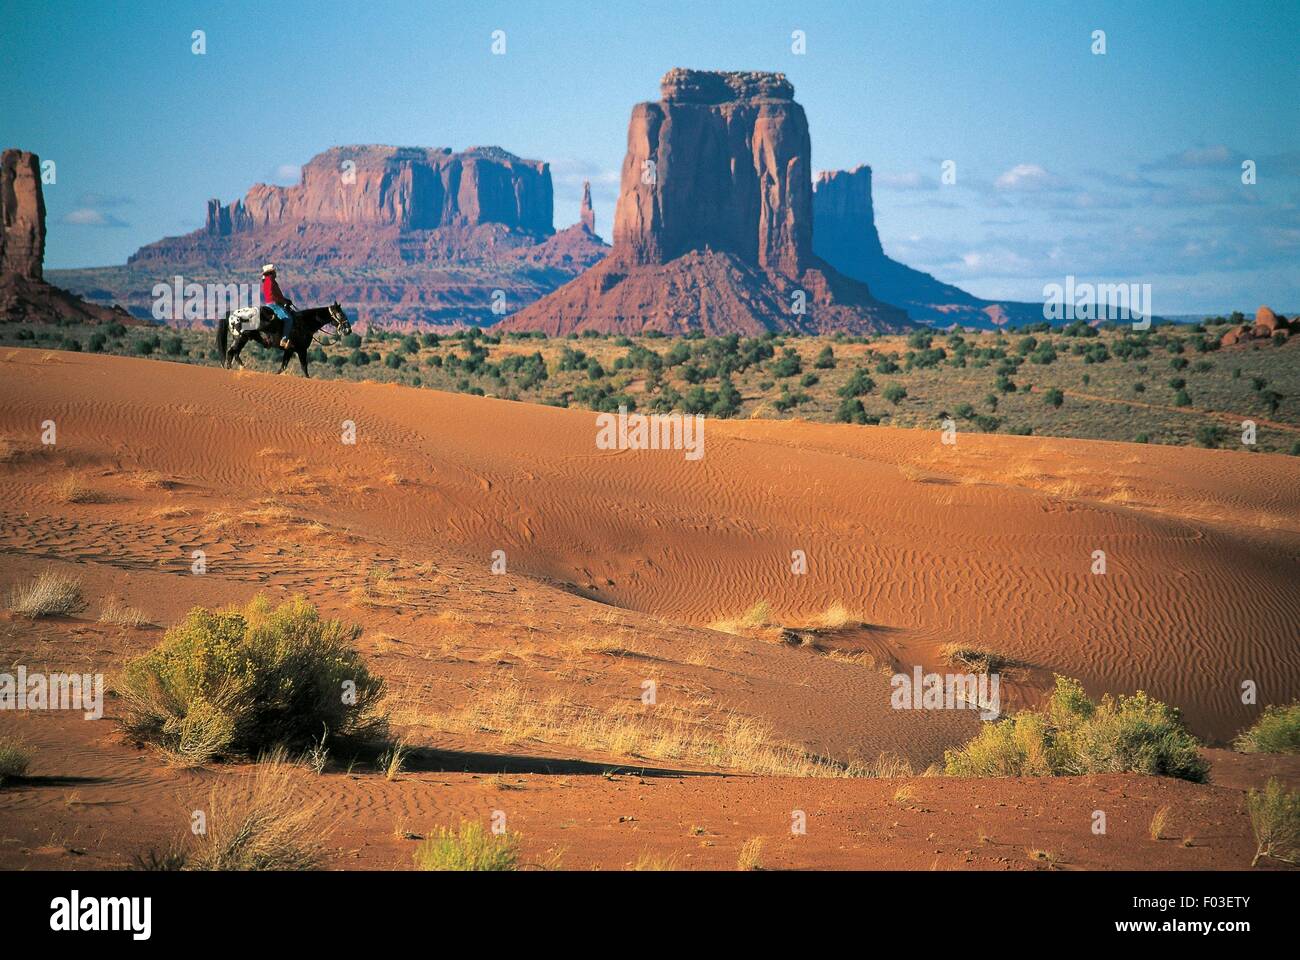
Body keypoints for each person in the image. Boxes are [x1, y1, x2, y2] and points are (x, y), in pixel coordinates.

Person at [261, 264, 295, 348]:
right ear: (271, 273)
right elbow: (272, 296)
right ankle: (284, 340)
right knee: (288, 319)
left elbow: (277, 295)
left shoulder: (269, 281)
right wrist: (283, 301)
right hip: (274, 304)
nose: (276, 273)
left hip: (272, 303)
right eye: (274, 272)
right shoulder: (270, 281)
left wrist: (286, 300)